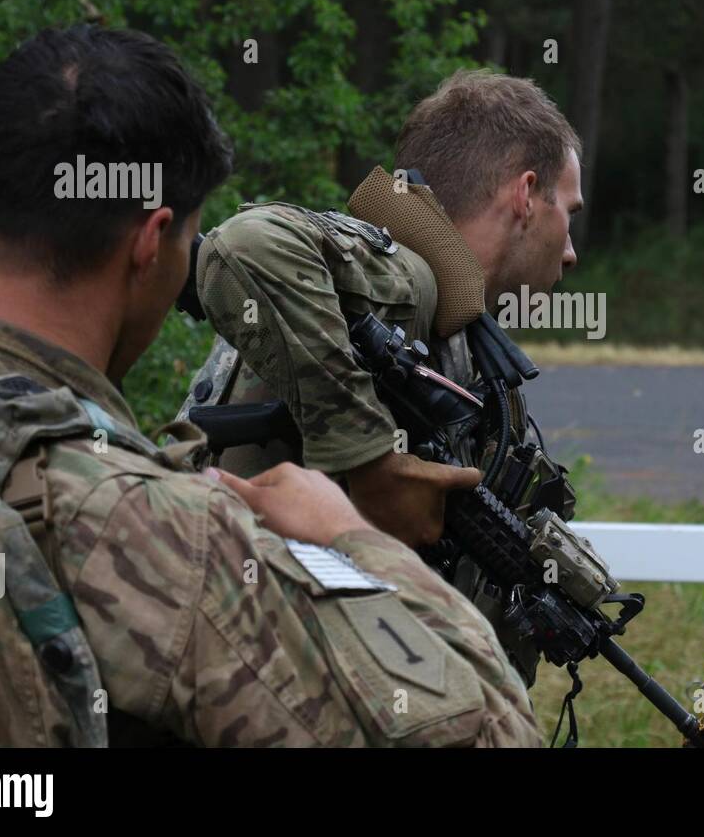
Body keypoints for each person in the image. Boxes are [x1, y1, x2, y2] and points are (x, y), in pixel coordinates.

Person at [0, 26, 540, 747]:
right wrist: (354, 536)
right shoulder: (156, 534)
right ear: (152, 241)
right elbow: (490, 734)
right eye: (189, 243)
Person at [186, 69, 584, 685]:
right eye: (570, 213)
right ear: (526, 195)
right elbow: (246, 242)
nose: (570, 252)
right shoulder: (407, 279)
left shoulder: (457, 336)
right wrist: (371, 461)